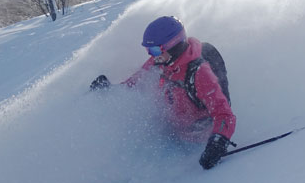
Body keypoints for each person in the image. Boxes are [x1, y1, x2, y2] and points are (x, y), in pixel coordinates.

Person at [91, 16, 236, 170]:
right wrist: (109, 89)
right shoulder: (160, 61)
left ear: (174, 46)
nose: (151, 55)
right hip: (171, 132)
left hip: (197, 142)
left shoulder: (200, 73)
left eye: (154, 50)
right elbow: (136, 82)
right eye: (148, 50)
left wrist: (217, 144)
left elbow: (224, 115)